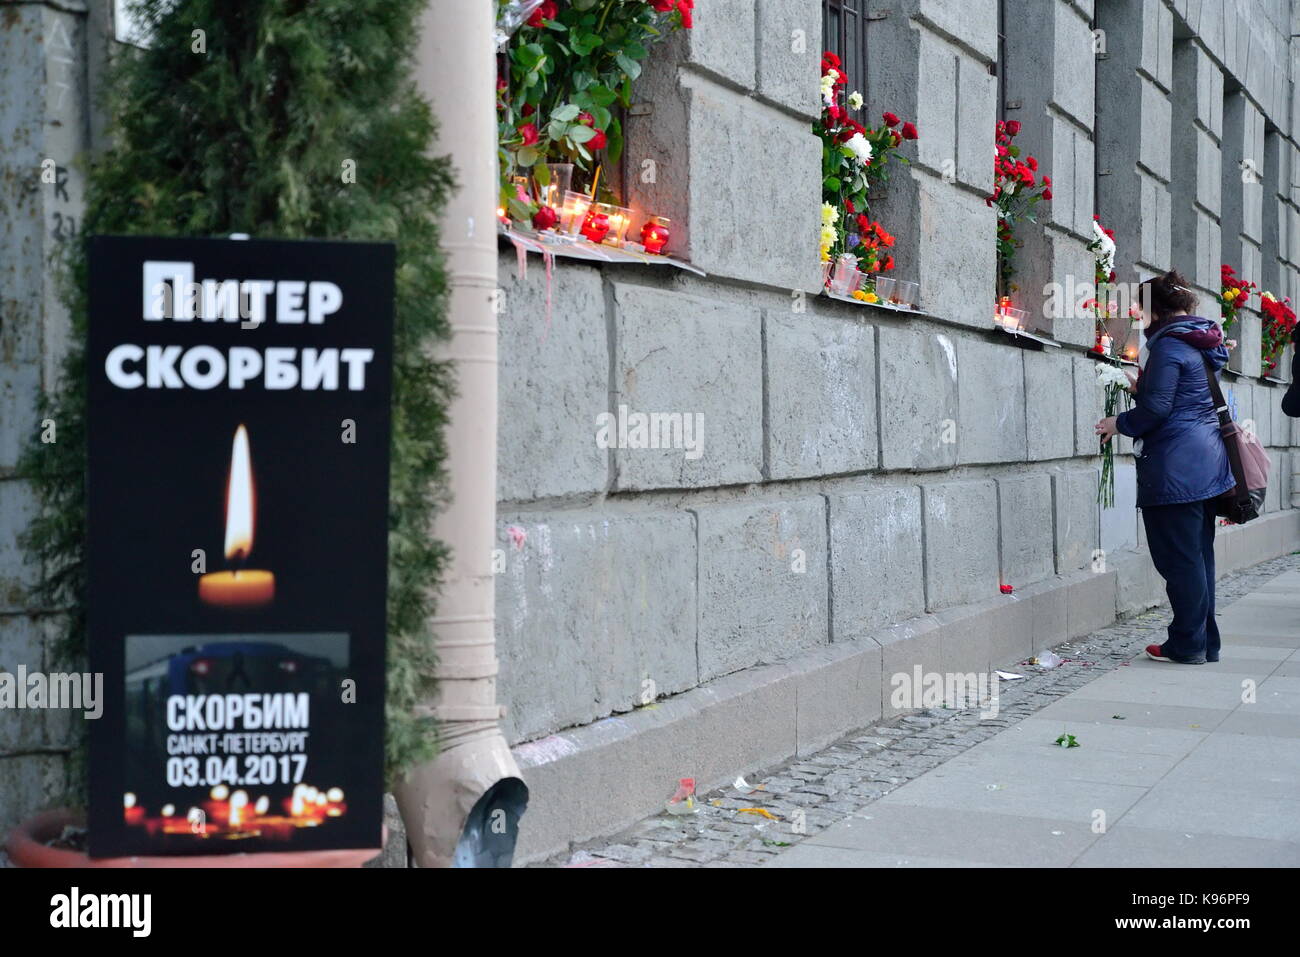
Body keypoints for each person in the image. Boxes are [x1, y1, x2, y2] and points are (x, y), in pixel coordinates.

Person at [1095, 271, 1235, 664]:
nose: (1137, 313)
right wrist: (1143, 387)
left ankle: (1188, 644)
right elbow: (1181, 396)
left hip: (1177, 468)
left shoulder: (1169, 347)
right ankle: (1205, 642)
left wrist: (1117, 424)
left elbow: (1158, 409)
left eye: (1140, 306)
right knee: (1197, 556)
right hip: (1204, 463)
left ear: (1155, 309)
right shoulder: (1195, 341)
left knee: (1179, 559)